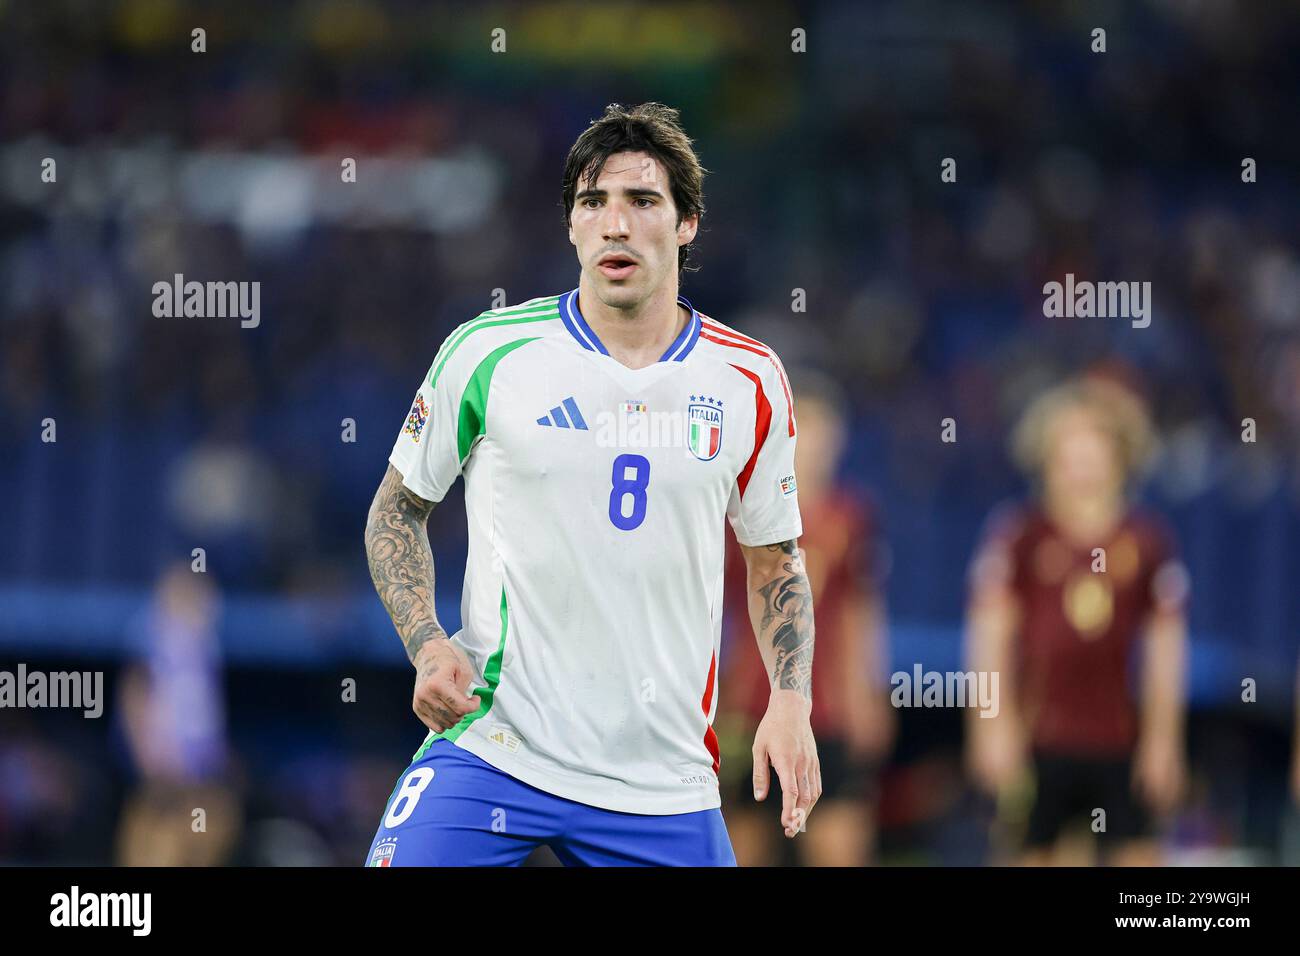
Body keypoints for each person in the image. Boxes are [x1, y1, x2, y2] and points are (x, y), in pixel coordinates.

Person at [363, 102, 819, 867]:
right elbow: (395, 513)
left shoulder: (750, 380)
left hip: (662, 782)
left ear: (686, 224)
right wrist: (428, 642)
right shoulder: (489, 353)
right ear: (572, 226)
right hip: (496, 747)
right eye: (592, 203)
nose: (615, 224)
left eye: (643, 201)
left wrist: (791, 701)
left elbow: (777, 565)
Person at [965, 376, 1189, 866]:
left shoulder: (1146, 543)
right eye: (1068, 451)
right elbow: (990, 636)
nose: (1081, 465)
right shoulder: (1019, 536)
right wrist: (992, 726)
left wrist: (1163, 740)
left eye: (1094, 449)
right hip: (1039, 738)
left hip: (1118, 740)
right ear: (1046, 459)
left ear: (1120, 459)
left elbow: (1165, 649)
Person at [719, 372, 893, 866]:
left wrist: (869, 692)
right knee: (743, 843)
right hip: (749, 706)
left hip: (828, 710)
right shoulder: (740, 512)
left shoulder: (851, 516)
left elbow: (862, 610)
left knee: (837, 839)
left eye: (821, 432)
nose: (810, 446)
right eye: (800, 430)